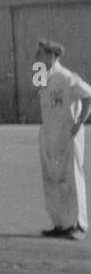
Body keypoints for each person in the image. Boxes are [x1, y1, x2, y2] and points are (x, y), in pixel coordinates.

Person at [35, 40, 91, 240]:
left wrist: (80, 122)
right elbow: (40, 94)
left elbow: (88, 95)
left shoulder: (67, 77)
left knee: (72, 178)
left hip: (67, 134)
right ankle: (60, 223)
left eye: (40, 53)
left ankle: (78, 224)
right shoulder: (41, 74)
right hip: (49, 134)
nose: (36, 56)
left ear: (52, 55)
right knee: (51, 179)